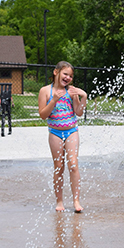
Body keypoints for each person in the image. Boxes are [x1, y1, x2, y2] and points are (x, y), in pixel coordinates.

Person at [38, 61, 88, 213]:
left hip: (72, 131)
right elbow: (43, 115)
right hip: (55, 133)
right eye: (65, 74)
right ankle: (59, 201)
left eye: (71, 76)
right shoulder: (45, 91)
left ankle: (76, 200)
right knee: (59, 167)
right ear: (56, 72)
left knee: (73, 165)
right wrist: (53, 100)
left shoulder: (71, 91)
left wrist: (83, 97)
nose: (68, 78)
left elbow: (79, 112)